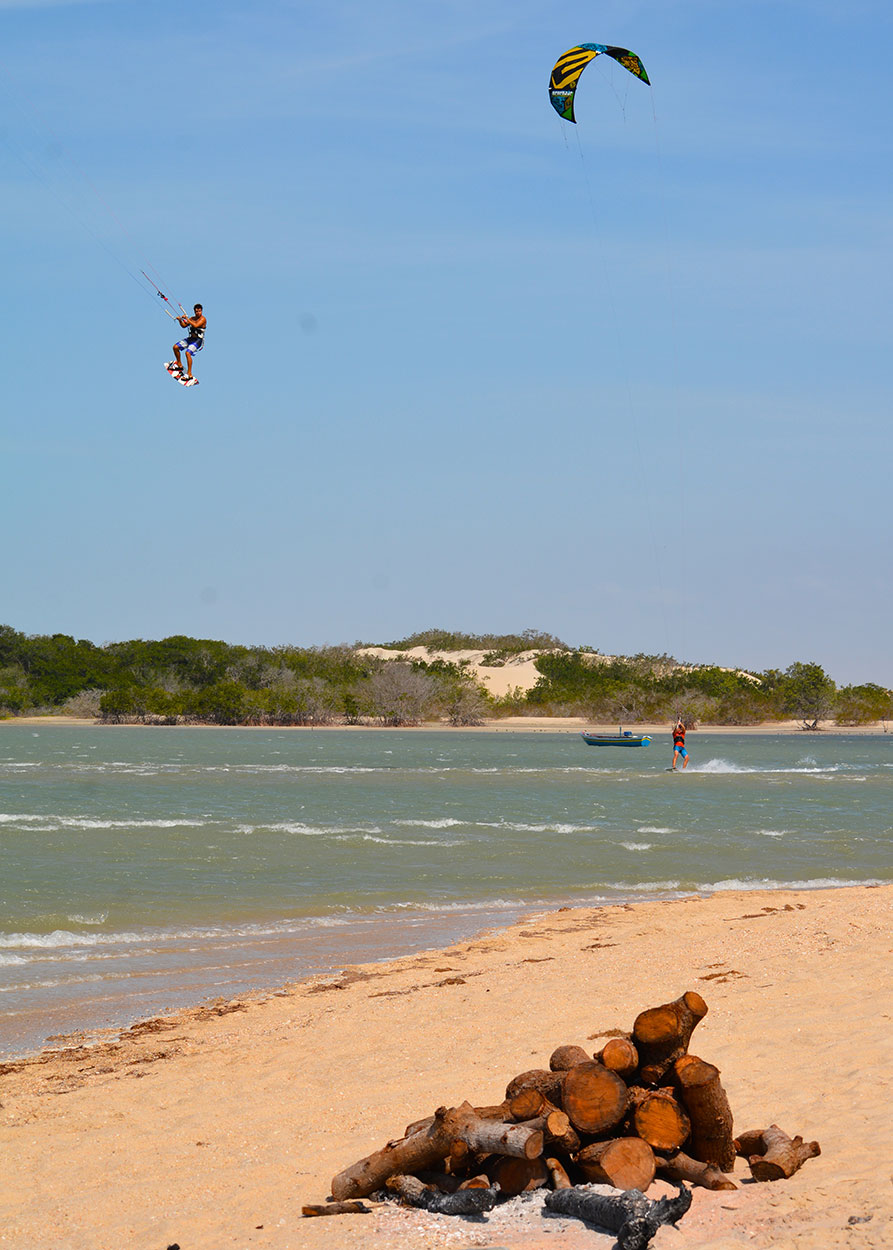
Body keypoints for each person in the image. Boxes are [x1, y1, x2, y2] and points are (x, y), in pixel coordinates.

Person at [171, 304, 206, 380]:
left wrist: (187, 318)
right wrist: (180, 320)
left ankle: (189, 374)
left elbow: (196, 325)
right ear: (194, 311)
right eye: (196, 311)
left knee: (187, 353)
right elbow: (184, 326)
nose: (198, 313)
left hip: (198, 341)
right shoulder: (192, 318)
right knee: (175, 347)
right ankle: (179, 365)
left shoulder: (203, 319)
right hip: (190, 339)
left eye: (199, 311)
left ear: (201, 311)